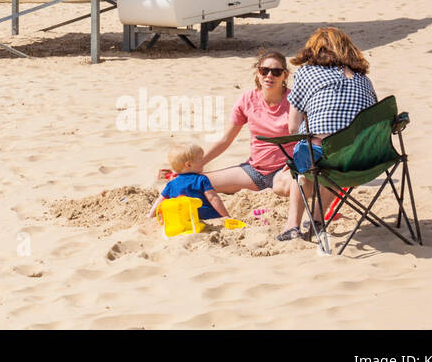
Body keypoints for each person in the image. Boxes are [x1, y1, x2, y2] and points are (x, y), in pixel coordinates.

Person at [272, 27, 378, 241]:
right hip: (362, 160)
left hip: (322, 156)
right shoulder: (364, 80)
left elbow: (293, 128)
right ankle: (317, 221)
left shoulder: (306, 73)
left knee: (302, 163)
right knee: (333, 158)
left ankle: (292, 225)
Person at [200, 52, 291, 194]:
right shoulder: (248, 98)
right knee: (197, 183)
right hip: (254, 171)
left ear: (285, 75)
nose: (269, 75)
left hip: (284, 171)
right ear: (257, 73)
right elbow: (225, 139)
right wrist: (197, 164)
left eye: (276, 72)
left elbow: (310, 139)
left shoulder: (295, 101)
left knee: (290, 187)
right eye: (264, 70)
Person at [151, 143, 230, 222]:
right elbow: (213, 198)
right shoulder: (201, 179)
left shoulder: (171, 184)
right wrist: (226, 216)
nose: (203, 162)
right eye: (200, 159)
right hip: (205, 215)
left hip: (182, 217)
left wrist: (151, 215)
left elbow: (160, 200)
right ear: (188, 165)